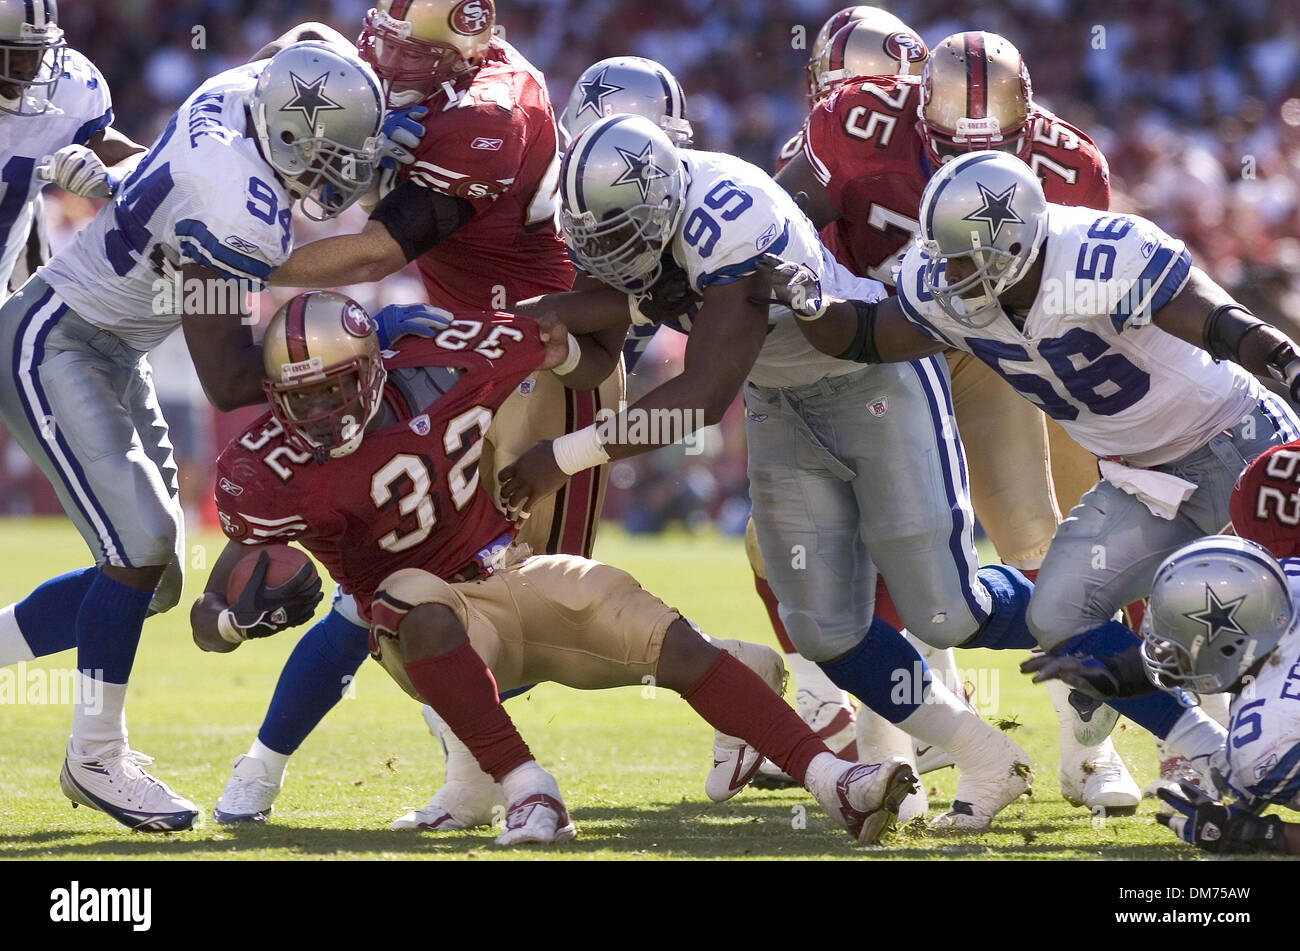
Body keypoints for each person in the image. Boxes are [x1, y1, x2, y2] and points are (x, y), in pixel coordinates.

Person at [196, 289, 918, 846]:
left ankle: (836, 781)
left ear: (377, 367)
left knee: (656, 626)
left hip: (510, 573)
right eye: (302, 397)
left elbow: (577, 323)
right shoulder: (265, 469)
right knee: (406, 598)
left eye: (334, 387)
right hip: (422, 625)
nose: (321, 411)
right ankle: (528, 787)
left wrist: (637, 311)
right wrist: (229, 620)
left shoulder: (446, 357)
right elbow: (217, 596)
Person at [498, 114, 1039, 831]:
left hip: (871, 381)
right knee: (823, 628)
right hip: (780, 401)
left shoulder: (731, 216)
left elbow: (700, 397)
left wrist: (558, 460)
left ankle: (1100, 611)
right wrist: (537, 330)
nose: (606, 255)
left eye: (620, 239)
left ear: (661, 205)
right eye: (595, 240)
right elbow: (604, 346)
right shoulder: (630, 220)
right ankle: (985, 754)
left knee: (948, 609)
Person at [211, 2, 628, 831]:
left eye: (410, 50)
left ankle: (736, 680)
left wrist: (232, 249)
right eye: (387, 40)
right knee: (386, 590)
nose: (386, 58)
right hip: (455, 360)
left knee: (520, 615)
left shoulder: (486, 114)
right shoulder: (452, 85)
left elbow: (374, 251)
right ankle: (286, 770)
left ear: (464, 51)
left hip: (536, 363)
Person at [763, 148, 1300, 775]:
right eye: (942, 252)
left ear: (1014, 242)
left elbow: (1214, 321)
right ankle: (1208, 754)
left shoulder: (1097, 253)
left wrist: (1286, 360)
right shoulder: (947, 288)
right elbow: (869, 336)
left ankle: (1273, 768)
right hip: (1141, 479)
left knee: (1270, 620)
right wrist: (811, 305)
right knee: (1059, 617)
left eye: (963, 255)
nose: (948, 272)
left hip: (1237, 443)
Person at [0, 41, 386, 831]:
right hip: (56, 342)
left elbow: (302, 43)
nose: (335, 173)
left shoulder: (244, 85)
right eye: (326, 154)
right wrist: (361, 355)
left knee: (160, 576)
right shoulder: (238, 205)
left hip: (114, 344)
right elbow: (231, 378)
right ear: (285, 134)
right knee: (138, 550)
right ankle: (95, 755)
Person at [776, 28, 1138, 813]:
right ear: (916, 113)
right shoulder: (858, 123)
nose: (964, 170)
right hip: (868, 349)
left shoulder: (1069, 164)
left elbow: (1076, 307)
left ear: (1028, 126)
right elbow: (784, 224)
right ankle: (891, 746)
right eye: (945, 149)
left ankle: (1088, 747)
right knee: (845, 549)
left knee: (1035, 531)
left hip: (986, 349)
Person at [0, 0, 147, 299]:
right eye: (14, 54)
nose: (27, 70)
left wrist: (107, 178)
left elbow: (136, 159)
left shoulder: (71, 91)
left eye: (37, 53)